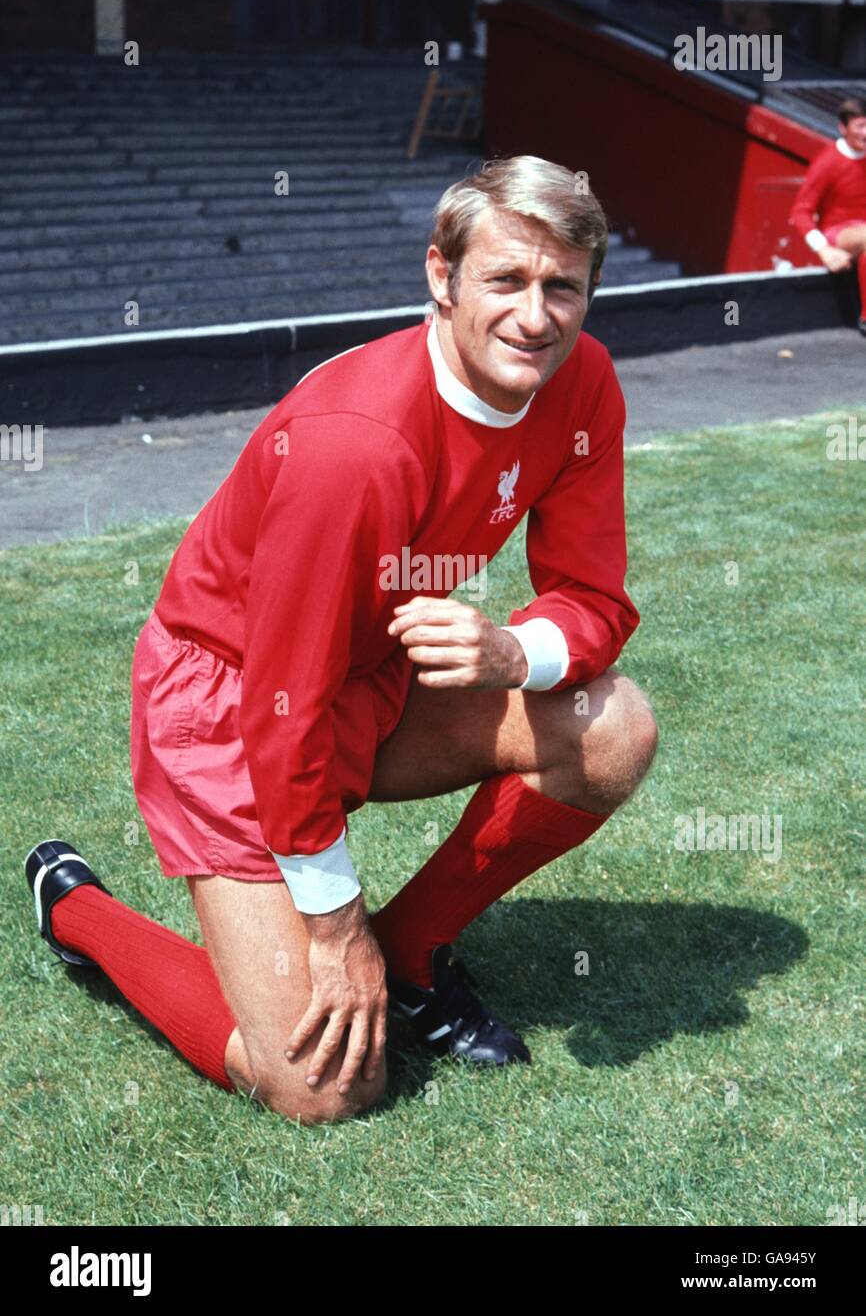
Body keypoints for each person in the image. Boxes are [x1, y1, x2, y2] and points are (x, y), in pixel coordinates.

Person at [24, 155, 658, 1127]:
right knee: (321, 1088)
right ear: (439, 278)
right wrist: (330, 928)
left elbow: (593, 597)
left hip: (366, 672)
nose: (535, 316)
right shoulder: (355, 445)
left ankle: (407, 955)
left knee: (609, 725)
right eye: (504, 280)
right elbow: (283, 704)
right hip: (235, 707)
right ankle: (78, 910)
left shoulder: (581, 384)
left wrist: (510, 655)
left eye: (560, 287)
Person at [788, 97, 866, 335]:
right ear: (843, 128)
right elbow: (799, 213)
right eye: (861, 126)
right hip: (837, 233)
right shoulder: (828, 162)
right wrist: (823, 250)